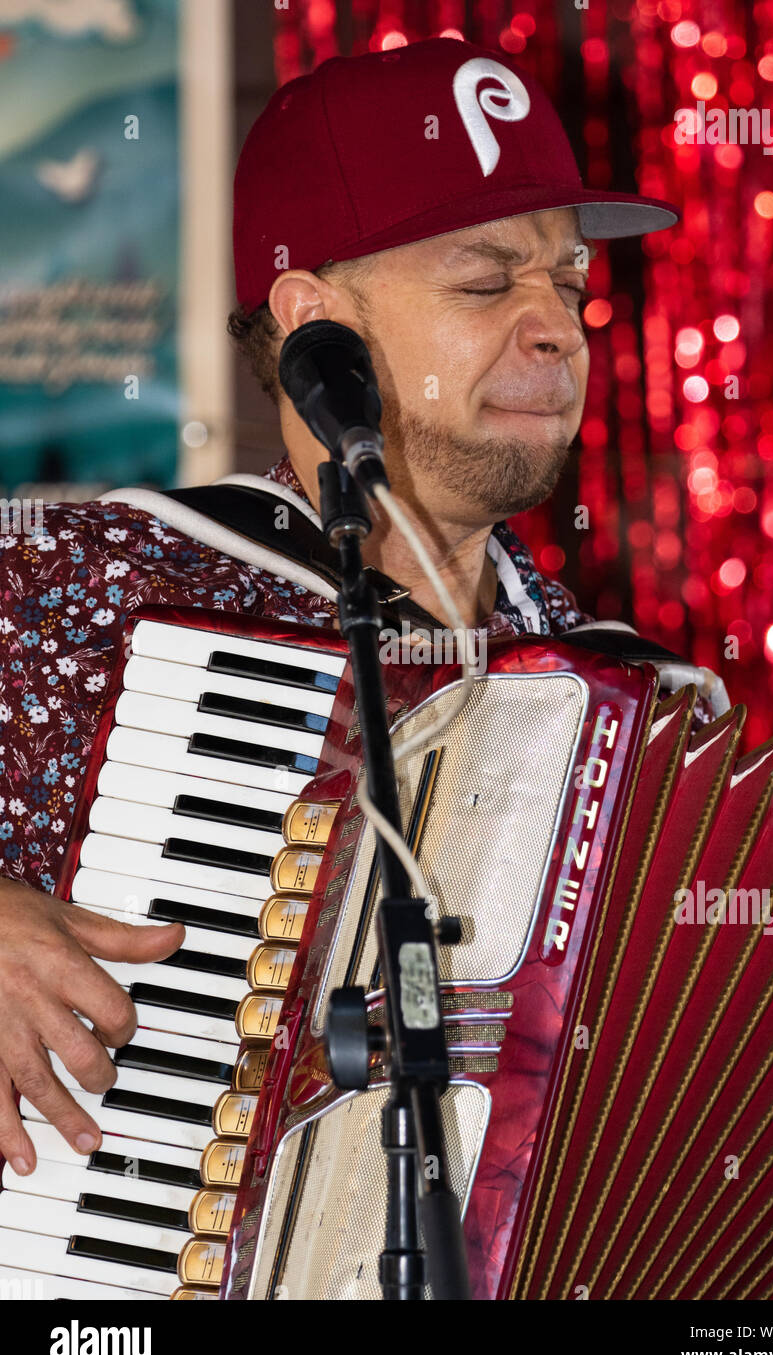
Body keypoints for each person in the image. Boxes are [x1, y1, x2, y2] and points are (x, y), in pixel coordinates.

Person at [0, 36, 689, 1177]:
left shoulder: (632, 698)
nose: (557, 326)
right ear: (318, 320)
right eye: (484, 279)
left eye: (566, 281)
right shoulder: (89, 581)